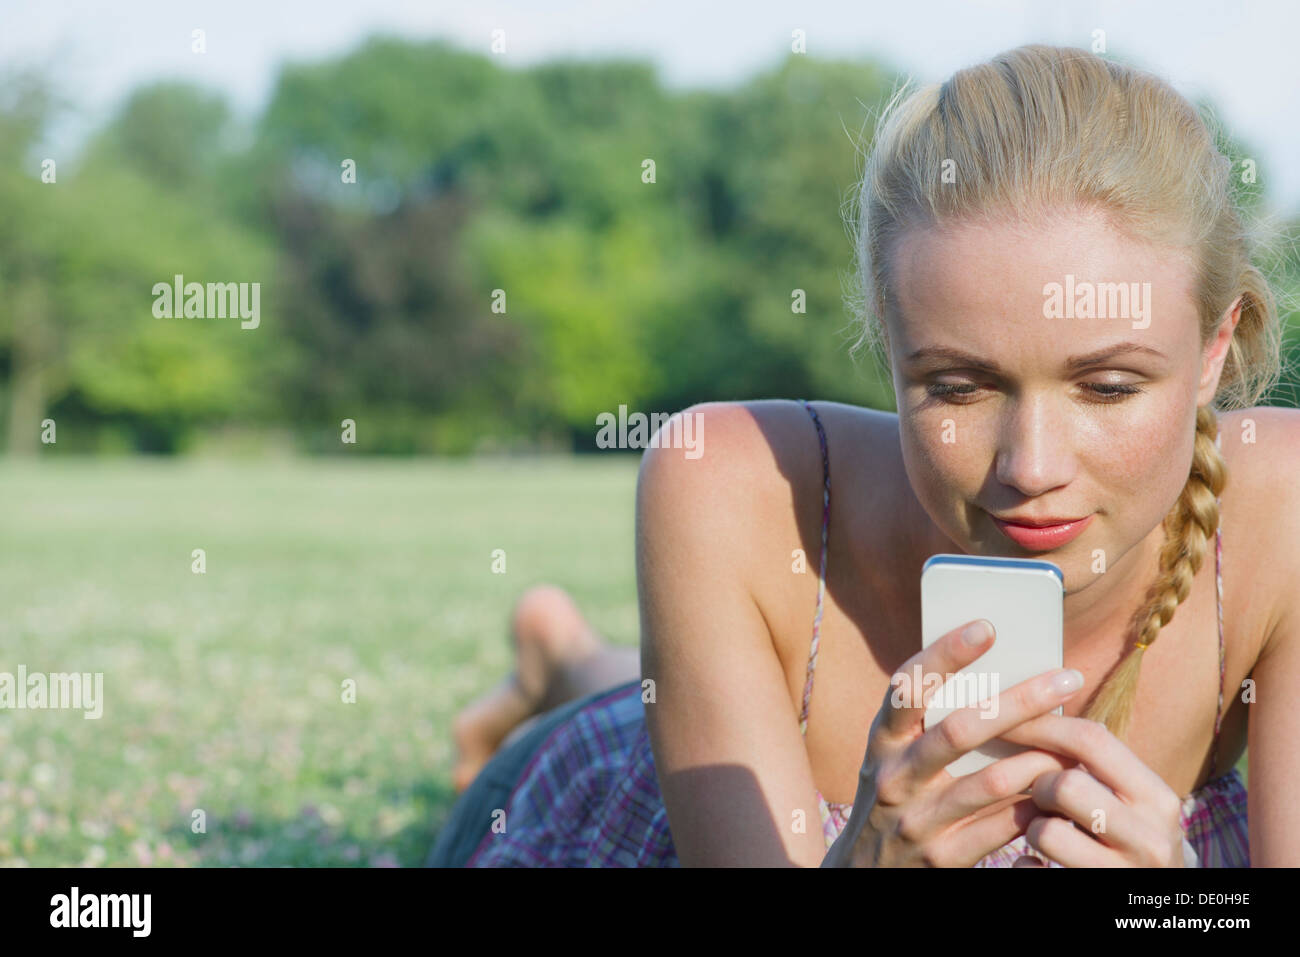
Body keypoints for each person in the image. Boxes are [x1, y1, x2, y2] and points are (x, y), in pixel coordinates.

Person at [430, 43, 1298, 867]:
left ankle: (566, 650)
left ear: (1214, 350)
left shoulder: (1282, 511)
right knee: (635, 709)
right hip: (638, 780)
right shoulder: (726, 476)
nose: (1031, 467)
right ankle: (569, 670)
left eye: (1107, 387)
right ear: (889, 338)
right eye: (959, 386)